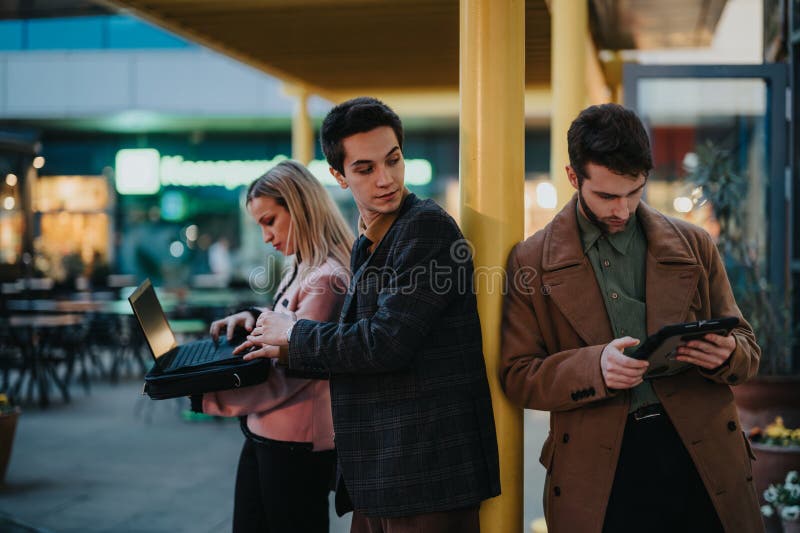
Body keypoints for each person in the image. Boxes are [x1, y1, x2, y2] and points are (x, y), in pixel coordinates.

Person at [236, 97, 501, 532]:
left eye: (393, 160)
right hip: (384, 468)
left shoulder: (424, 227)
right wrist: (269, 325)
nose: (386, 179)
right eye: (365, 168)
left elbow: (385, 342)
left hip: (425, 472)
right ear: (339, 176)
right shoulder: (371, 237)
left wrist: (295, 333)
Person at [499, 103, 763, 533]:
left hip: (703, 456)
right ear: (573, 177)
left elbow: (748, 349)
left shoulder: (695, 243)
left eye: (635, 191)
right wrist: (594, 366)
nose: (623, 209)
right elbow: (517, 374)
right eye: (607, 196)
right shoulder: (531, 260)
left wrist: (728, 352)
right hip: (600, 470)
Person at [194, 160, 353, 533]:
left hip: (294, 445)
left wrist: (209, 396)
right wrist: (252, 315)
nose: (266, 236)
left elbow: (293, 371)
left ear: (299, 207)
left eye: (270, 221)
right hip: (273, 435)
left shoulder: (327, 278)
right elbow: (288, 322)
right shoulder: (304, 265)